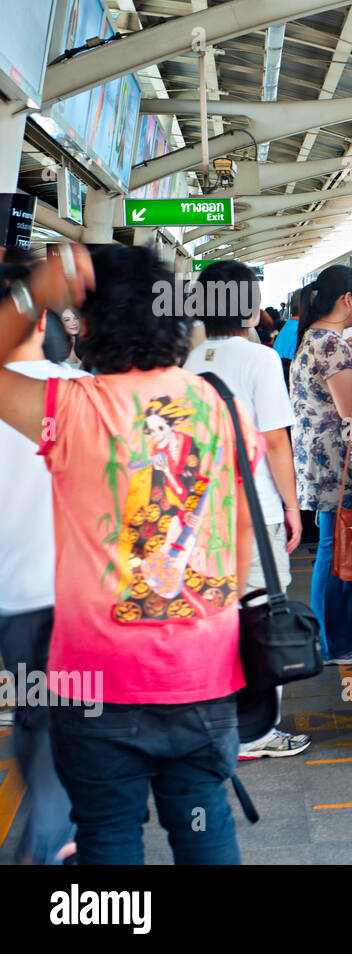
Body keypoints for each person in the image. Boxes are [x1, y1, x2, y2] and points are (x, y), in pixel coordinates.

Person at [0, 242, 263, 864]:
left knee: (108, 834)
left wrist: (34, 295)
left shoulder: (72, 410)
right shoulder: (222, 406)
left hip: (96, 679)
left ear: (87, 327)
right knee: (204, 823)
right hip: (203, 673)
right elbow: (243, 536)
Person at [183, 260, 311, 759]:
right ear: (250, 309)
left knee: (219, 619)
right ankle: (257, 732)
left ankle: (220, 719)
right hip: (255, 512)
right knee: (262, 619)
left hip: (202, 516)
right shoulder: (260, 359)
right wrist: (292, 506)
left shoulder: (189, 360)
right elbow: (275, 442)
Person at [0, 248, 86, 864]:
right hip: (74, 600)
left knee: (35, 714)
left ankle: (52, 836)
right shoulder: (79, 391)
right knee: (65, 722)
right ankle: (48, 844)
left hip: (11, 599)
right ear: (41, 318)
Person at [290, 264, 352, 666]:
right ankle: (333, 642)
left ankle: (330, 639)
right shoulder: (331, 345)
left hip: (318, 464)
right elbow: (350, 410)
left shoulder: (313, 339)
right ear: (347, 299)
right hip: (339, 467)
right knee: (337, 548)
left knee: (331, 545)